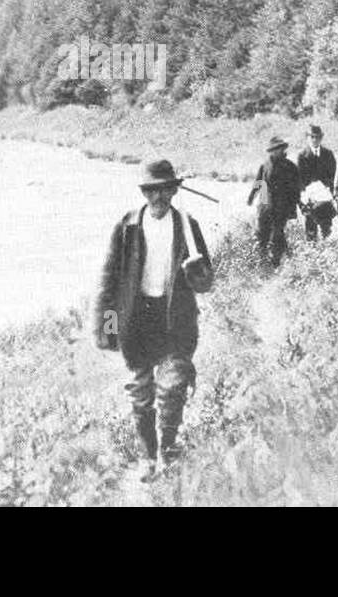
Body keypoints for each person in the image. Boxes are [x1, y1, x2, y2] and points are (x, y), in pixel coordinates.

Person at [94, 159, 215, 481]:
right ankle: (148, 457)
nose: (157, 198)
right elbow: (110, 282)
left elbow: (206, 283)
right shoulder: (127, 226)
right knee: (141, 392)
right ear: (144, 192)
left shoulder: (188, 225)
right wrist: (108, 331)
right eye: (151, 191)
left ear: (174, 190)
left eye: (163, 191)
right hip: (137, 322)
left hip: (176, 320)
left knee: (173, 388)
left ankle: (167, 451)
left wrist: (196, 272)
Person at [247, 136, 301, 266]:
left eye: (279, 149)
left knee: (277, 234)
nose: (277, 152)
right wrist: (251, 196)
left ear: (283, 150)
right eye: (274, 149)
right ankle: (263, 262)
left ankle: (276, 262)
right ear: (270, 151)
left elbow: (295, 188)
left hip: (282, 206)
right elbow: (258, 182)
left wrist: (294, 206)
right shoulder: (264, 165)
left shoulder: (290, 166)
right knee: (262, 234)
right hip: (265, 204)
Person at [296, 124, 337, 241]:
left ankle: (327, 251)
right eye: (312, 137)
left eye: (317, 137)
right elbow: (299, 179)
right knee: (310, 228)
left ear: (321, 138)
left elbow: (333, 175)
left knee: (326, 228)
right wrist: (303, 197)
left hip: (325, 196)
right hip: (309, 198)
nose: (315, 140)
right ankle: (312, 251)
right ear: (307, 138)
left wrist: (330, 192)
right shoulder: (302, 155)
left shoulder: (328, 154)